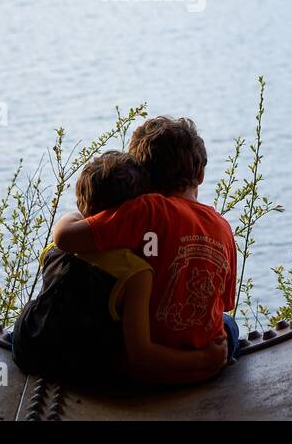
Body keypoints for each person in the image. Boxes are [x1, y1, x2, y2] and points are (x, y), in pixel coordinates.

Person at [12, 150, 226, 385]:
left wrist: (78, 216)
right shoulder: (136, 272)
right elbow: (140, 353)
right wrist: (203, 359)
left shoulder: (58, 248)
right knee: (229, 328)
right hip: (83, 366)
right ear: (132, 211)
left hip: (28, 344)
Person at [52, 116, 240, 365]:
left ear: (145, 178)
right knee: (230, 325)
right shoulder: (224, 228)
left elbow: (65, 238)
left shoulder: (147, 209)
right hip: (209, 360)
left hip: (146, 363)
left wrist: (77, 216)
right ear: (201, 174)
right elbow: (223, 303)